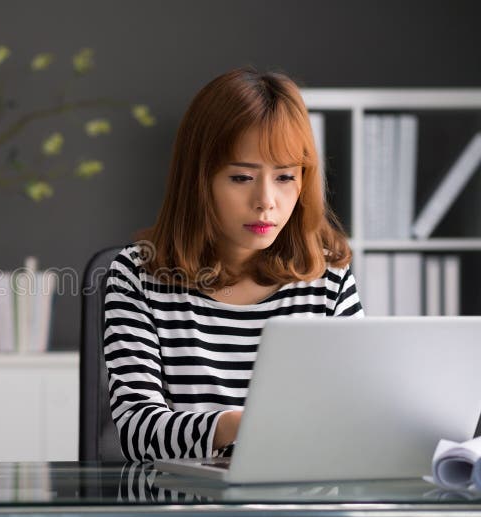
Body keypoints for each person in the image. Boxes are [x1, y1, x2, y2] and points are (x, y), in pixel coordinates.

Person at [103, 66, 364, 464]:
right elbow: (138, 431)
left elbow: (361, 412)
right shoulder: (138, 275)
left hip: (315, 515)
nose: (266, 201)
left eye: (285, 177)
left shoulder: (327, 277)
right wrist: (245, 425)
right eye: (242, 177)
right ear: (199, 180)